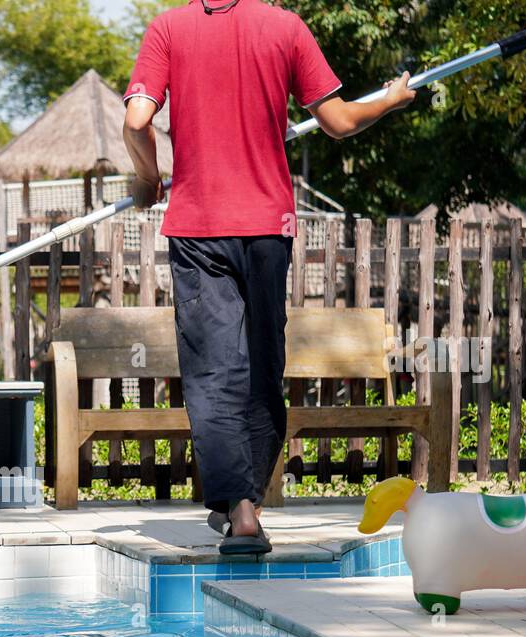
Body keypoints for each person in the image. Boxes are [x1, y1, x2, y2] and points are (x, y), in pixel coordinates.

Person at [123, 0, 415, 552]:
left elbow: (137, 122)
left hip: (199, 227)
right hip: (266, 226)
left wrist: (149, 177)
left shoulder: (168, 28)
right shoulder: (285, 27)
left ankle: (239, 509)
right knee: (261, 365)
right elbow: (339, 122)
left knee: (214, 372)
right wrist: (391, 100)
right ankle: (247, 505)